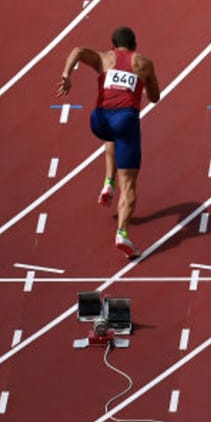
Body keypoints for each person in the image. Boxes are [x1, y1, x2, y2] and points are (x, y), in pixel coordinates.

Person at [57, 26, 162, 258]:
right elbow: (155, 97)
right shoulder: (143, 63)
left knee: (112, 135)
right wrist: (142, 87)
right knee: (130, 184)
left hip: (99, 120)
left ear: (113, 45)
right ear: (134, 45)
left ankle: (107, 181)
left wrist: (67, 75)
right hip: (125, 120)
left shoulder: (104, 58)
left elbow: (77, 50)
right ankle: (122, 231)